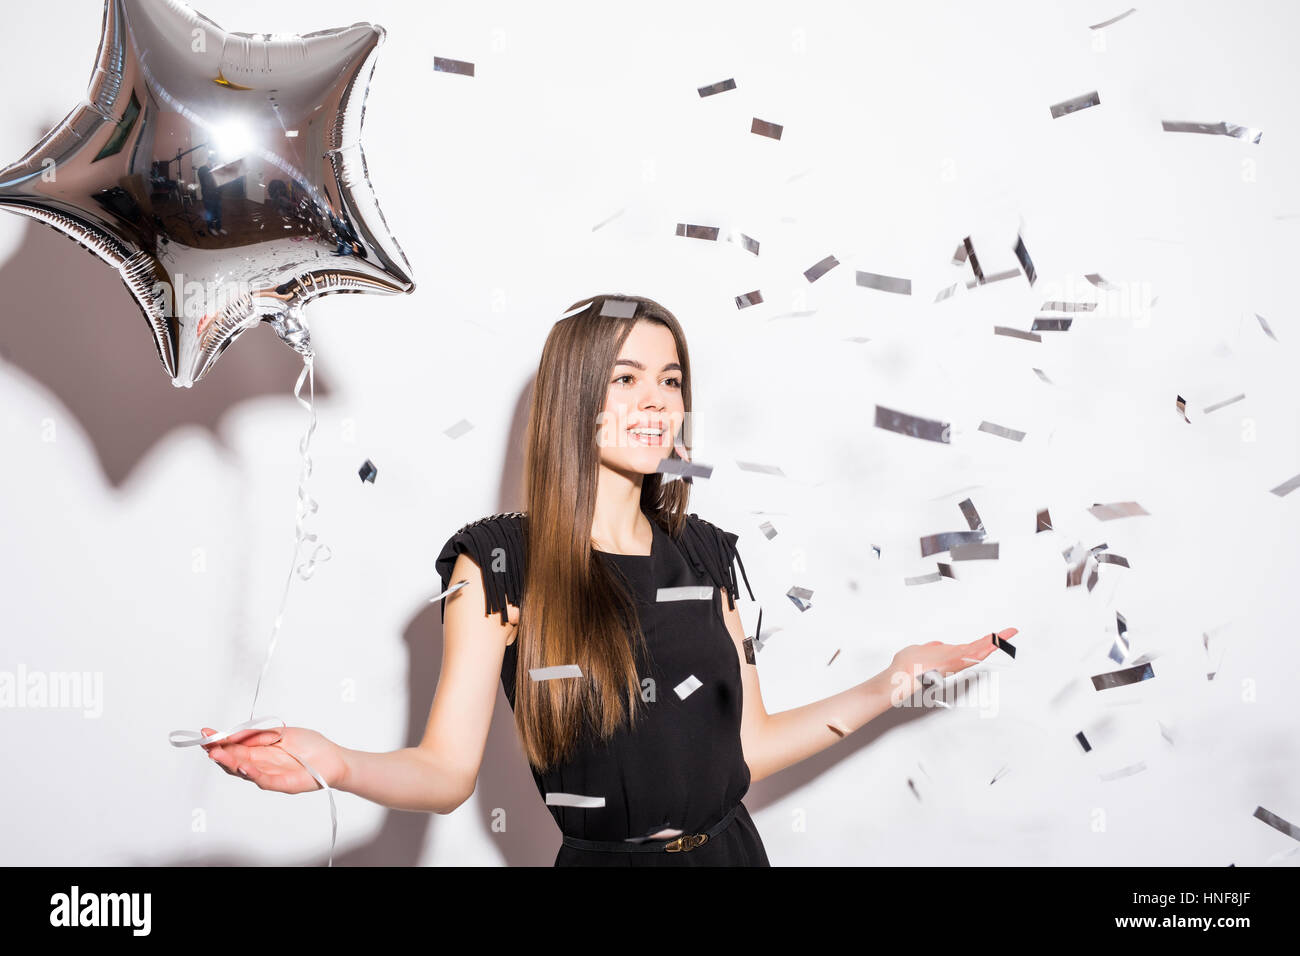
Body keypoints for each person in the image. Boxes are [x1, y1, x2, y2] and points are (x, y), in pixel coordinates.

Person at [201, 293, 1015, 865]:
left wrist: (891, 682)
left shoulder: (708, 553)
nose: (656, 401)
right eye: (626, 379)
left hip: (734, 859)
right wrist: (336, 762)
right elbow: (448, 774)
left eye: (670, 380)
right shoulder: (495, 564)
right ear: (574, 400)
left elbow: (749, 748)